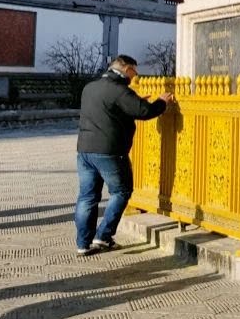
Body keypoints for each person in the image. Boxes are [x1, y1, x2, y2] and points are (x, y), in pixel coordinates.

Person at [75, 55, 175, 257]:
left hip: (85, 150)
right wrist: (161, 102)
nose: (135, 76)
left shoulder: (90, 87)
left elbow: (110, 111)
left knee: (87, 197)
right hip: (109, 151)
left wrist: (134, 102)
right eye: (134, 71)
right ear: (126, 69)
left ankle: (82, 244)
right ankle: (103, 235)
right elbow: (145, 111)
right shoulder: (119, 90)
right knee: (121, 192)